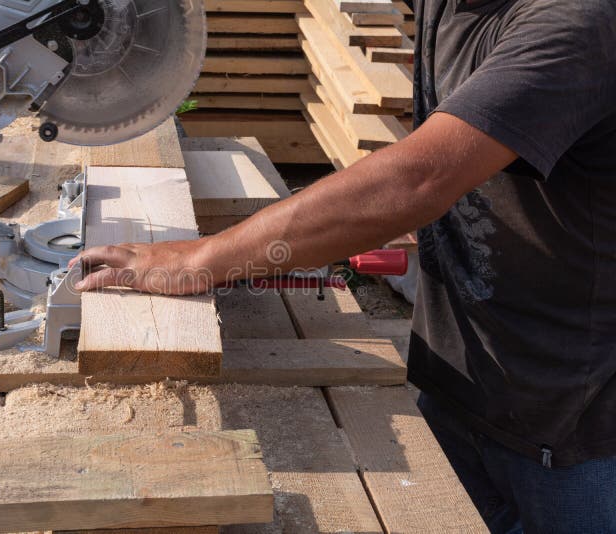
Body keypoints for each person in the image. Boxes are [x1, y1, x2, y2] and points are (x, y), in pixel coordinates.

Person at [69, 1, 616, 531]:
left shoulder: (577, 23)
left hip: (568, 419)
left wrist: (199, 258)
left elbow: (416, 181)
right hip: (458, 373)